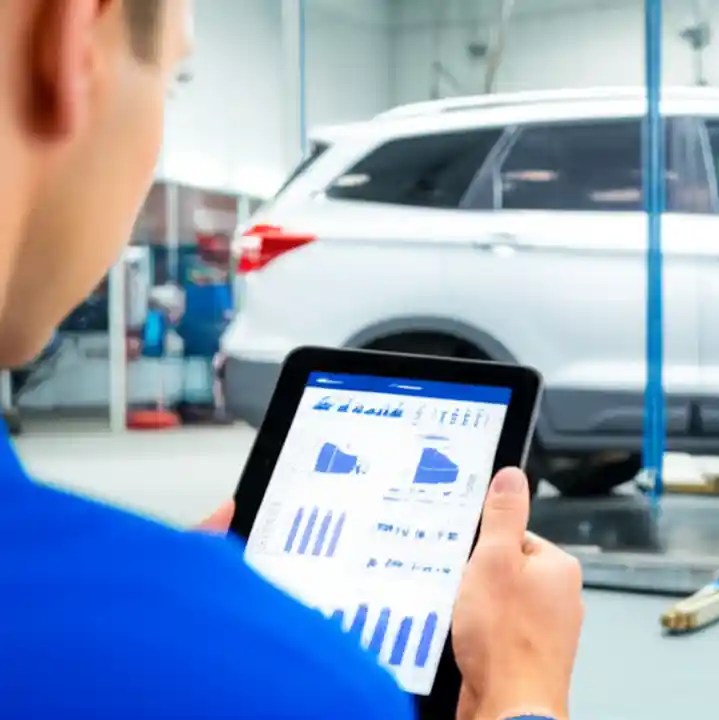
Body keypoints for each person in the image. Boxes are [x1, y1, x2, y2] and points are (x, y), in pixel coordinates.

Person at [0, 1, 583, 718]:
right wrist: (524, 690)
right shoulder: (288, 685)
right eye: (174, 80)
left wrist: (133, 593)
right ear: (74, 38)